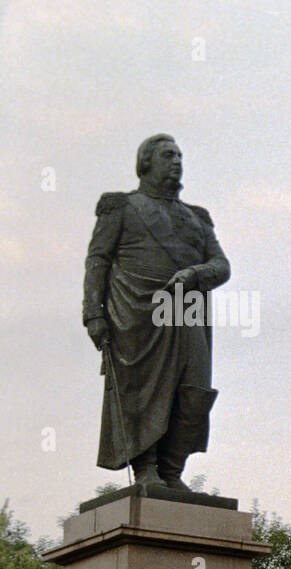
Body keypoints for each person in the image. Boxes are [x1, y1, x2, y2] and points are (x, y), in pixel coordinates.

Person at [82, 134, 229, 489]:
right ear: (145, 162)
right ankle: (146, 467)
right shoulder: (121, 207)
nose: (177, 161)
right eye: (168, 155)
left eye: (180, 155)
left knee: (194, 391)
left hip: (186, 306)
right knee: (141, 389)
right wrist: (94, 313)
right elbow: (98, 259)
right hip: (135, 308)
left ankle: (172, 469)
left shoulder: (197, 217)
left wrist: (194, 274)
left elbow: (221, 266)